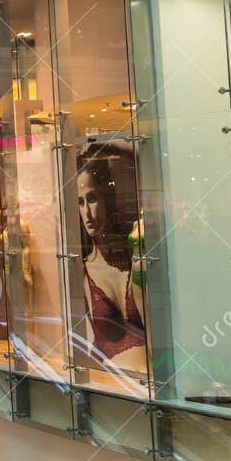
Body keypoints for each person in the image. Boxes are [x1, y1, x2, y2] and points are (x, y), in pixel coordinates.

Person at [76, 146, 146, 368]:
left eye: (92, 198)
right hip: (104, 380)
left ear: (108, 198)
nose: (87, 212)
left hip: (146, 382)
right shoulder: (83, 270)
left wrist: (110, 144)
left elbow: (147, 157)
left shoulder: (136, 257)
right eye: (80, 202)